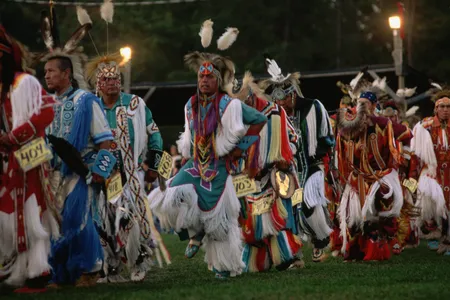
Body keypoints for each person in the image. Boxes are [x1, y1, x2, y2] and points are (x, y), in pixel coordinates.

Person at [150, 20, 267, 279]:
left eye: (209, 76)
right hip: (196, 164)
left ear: (217, 80)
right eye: (201, 76)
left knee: (220, 224)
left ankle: (224, 267)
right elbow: (189, 136)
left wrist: (240, 148)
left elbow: (260, 120)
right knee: (170, 196)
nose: (204, 80)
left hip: (220, 168)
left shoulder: (230, 105)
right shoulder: (190, 105)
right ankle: (193, 233)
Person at [39, 9, 114, 286]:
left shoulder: (86, 101)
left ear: (66, 74)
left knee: (78, 220)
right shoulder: (45, 103)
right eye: (45, 71)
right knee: (53, 226)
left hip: (81, 170)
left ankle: (90, 270)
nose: (46, 76)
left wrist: (99, 172)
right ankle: (60, 273)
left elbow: (106, 140)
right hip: (53, 174)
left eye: (51, 71)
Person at [85, 52, 169, 282]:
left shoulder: (135, 104)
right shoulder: (92, 108)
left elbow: (155, 134)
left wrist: (155, 166)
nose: (112, 82)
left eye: (115, 78)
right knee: (103, 221)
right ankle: (111, 265)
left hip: (130, 173)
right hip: (102, 175)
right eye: (106, 79)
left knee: (131, 217)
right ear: (98, 84)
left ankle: (139, 260)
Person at [0, 25, 59, 293]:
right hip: (8, 163)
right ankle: (17, 270)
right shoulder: (4, 90)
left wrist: (14, 138)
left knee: (32, 217)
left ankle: (38, 273)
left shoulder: (25, 82)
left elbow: (46, 111)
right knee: (10, 217)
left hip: (29, 160)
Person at [259, 57, 335, 263]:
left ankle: (320, 239)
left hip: (312, 165)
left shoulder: (313, 107)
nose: (280, 102)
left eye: (283, 97)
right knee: (290, 209)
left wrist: (321, 155)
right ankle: (294, 249)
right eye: (276, 99)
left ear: (292, 95)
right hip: (287, 170)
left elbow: (327, 136)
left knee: (309, 203)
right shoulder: (275, 116)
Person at [228, 71, 303, 272]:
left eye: (246, 100)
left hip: (273, 174)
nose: (244, 106)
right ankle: (258, 260)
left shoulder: (276, 112)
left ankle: (287, 256)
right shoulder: (234, 120)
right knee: (250, 222)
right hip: (246, 178)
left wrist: (286, 158)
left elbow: (294, 139)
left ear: (253, 95)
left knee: (279, 218)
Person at [336, 76, 412, 261]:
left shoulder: (384, 124)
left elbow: (407, 133)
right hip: (356, 178)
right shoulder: (348, 126)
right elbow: (341, 151)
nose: (361, 107)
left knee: (375, 220)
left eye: (366, 103)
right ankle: (354, 252)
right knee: (353, 220)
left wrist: (401, 161)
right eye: (359, 103)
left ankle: (376, 252)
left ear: (373, 105)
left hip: (378, 178)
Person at [412, 84, 450, 255]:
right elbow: (417, 154)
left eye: (449, 107)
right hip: (431, 172)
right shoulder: (424, 126)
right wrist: (413, 177)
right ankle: (435, 235)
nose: (446, 110)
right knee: (431, 206)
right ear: (436, 108)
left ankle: (447, 239)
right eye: (442, 106)